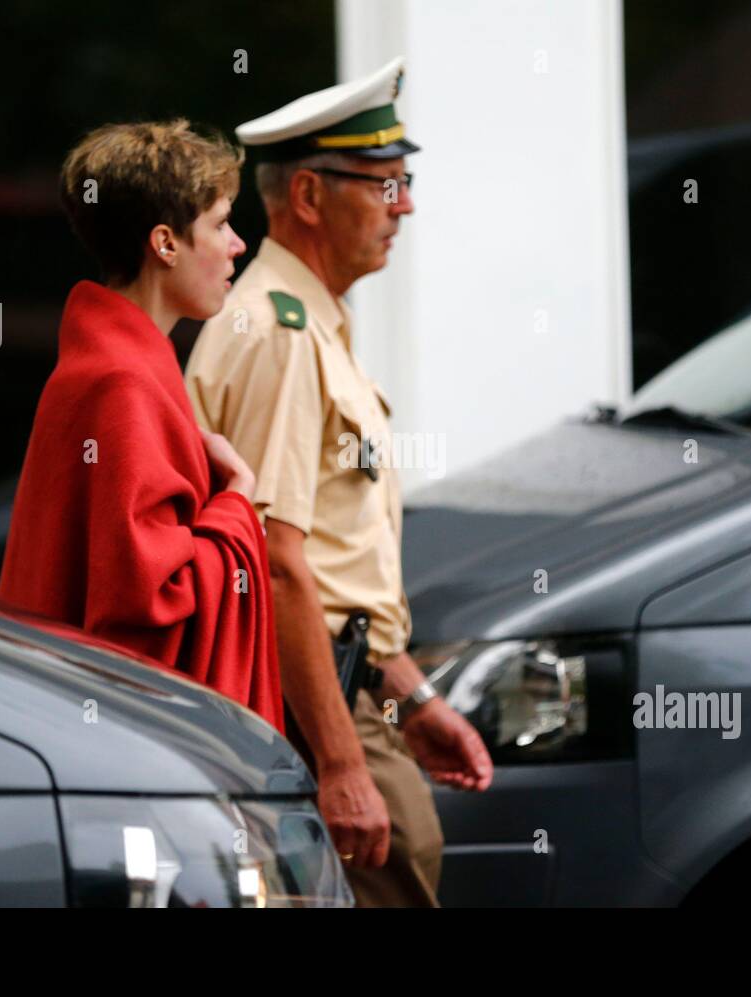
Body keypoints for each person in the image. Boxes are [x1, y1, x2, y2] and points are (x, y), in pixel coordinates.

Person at [186, 58, 493, 906]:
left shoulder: (313, 319)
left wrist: (414, 697)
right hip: (310, 707)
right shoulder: (280, 332)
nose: (407, 205)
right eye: (386, 183)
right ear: (312, 197)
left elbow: (334, 567)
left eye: (407, 180)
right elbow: (277, 562)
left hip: (351, 690)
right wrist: (342, 762)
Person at [0, 120, 283, 732]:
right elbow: (150, 605)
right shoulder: (123, 382)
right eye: (220, 223)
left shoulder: (105, 362)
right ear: (165, 243)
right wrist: (237, 501)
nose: (238, 245)